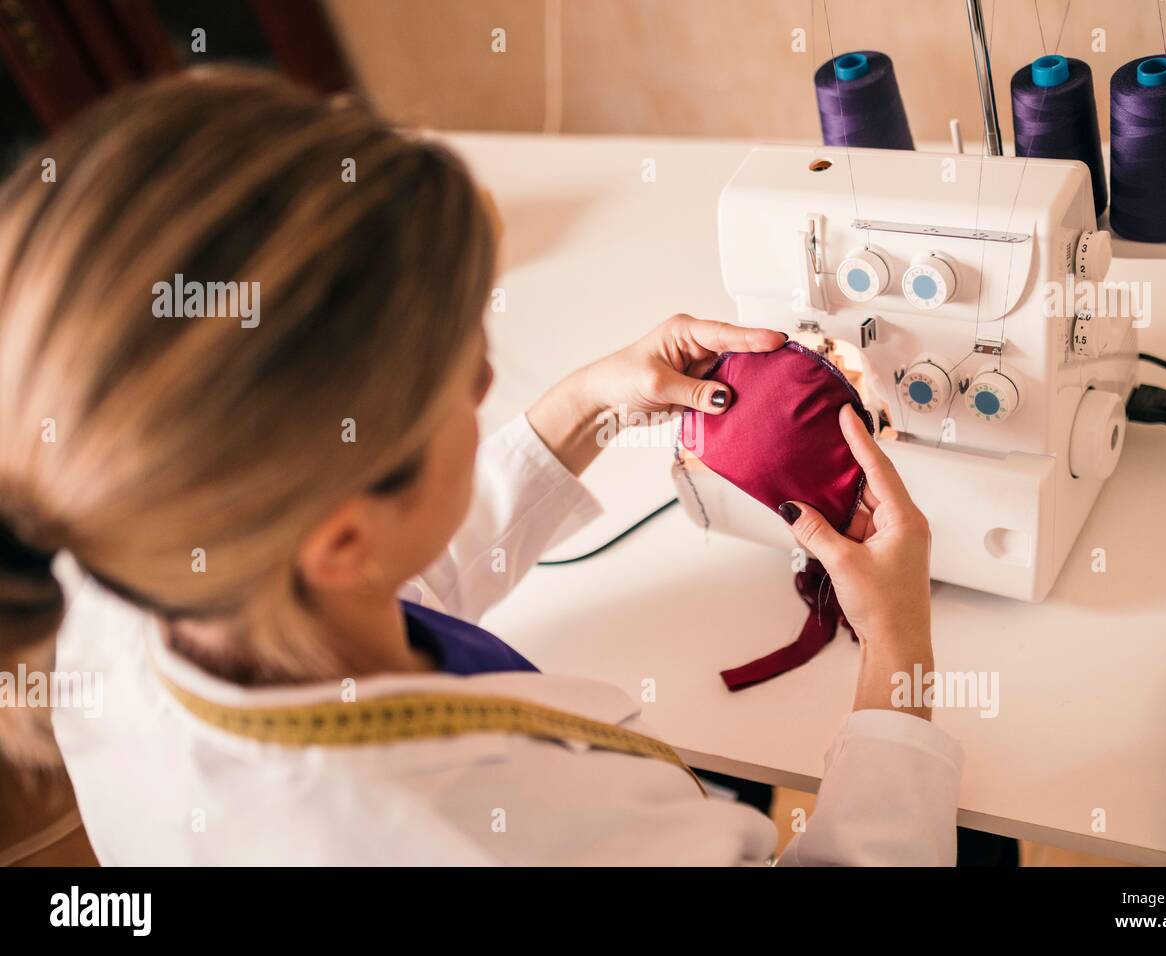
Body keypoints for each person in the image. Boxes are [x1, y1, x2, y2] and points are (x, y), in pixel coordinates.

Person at [0, 69, 960, 865]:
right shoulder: (511, 836)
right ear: (340, 529)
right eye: (461, 377)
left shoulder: (113, 562)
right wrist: (900, 653)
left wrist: (590, 402)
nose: (495, 376)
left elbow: (389, 582)